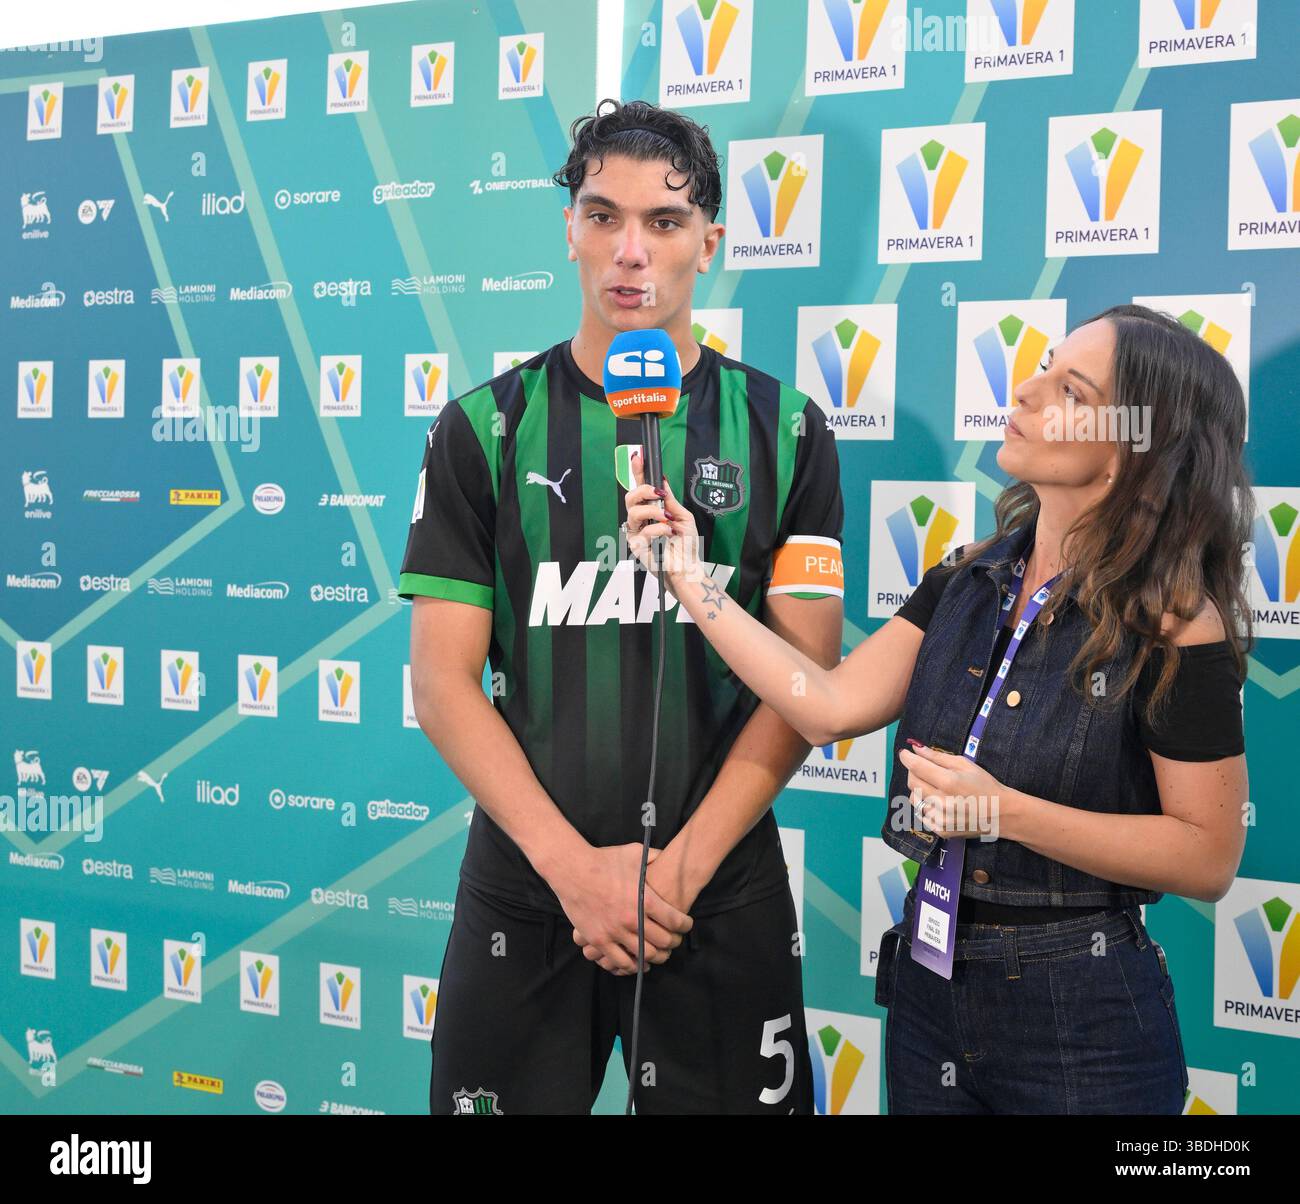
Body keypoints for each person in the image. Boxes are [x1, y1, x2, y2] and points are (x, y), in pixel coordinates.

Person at [624, 303, 1251, 1114]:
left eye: (1070, 388)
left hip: (1082, 1018)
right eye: (1044, 366)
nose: (1023, 390)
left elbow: (1206, 858)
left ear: (1137, 447)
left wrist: (1005, 812)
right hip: (929, 987)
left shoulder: (1173, 620)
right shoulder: (966, 575)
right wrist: (686, 575)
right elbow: (829, 705)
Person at [398, 98, 845, 1114]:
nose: (629, 252)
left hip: (714, 891)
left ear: (710, 243)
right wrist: (576, 873)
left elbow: (805, 682)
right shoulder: (484, 428)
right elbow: (440, 683)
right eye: (602, 217)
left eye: (664, 222)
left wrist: (677, 871)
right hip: (528, 885)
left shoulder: (788, 429)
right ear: (568, 229)